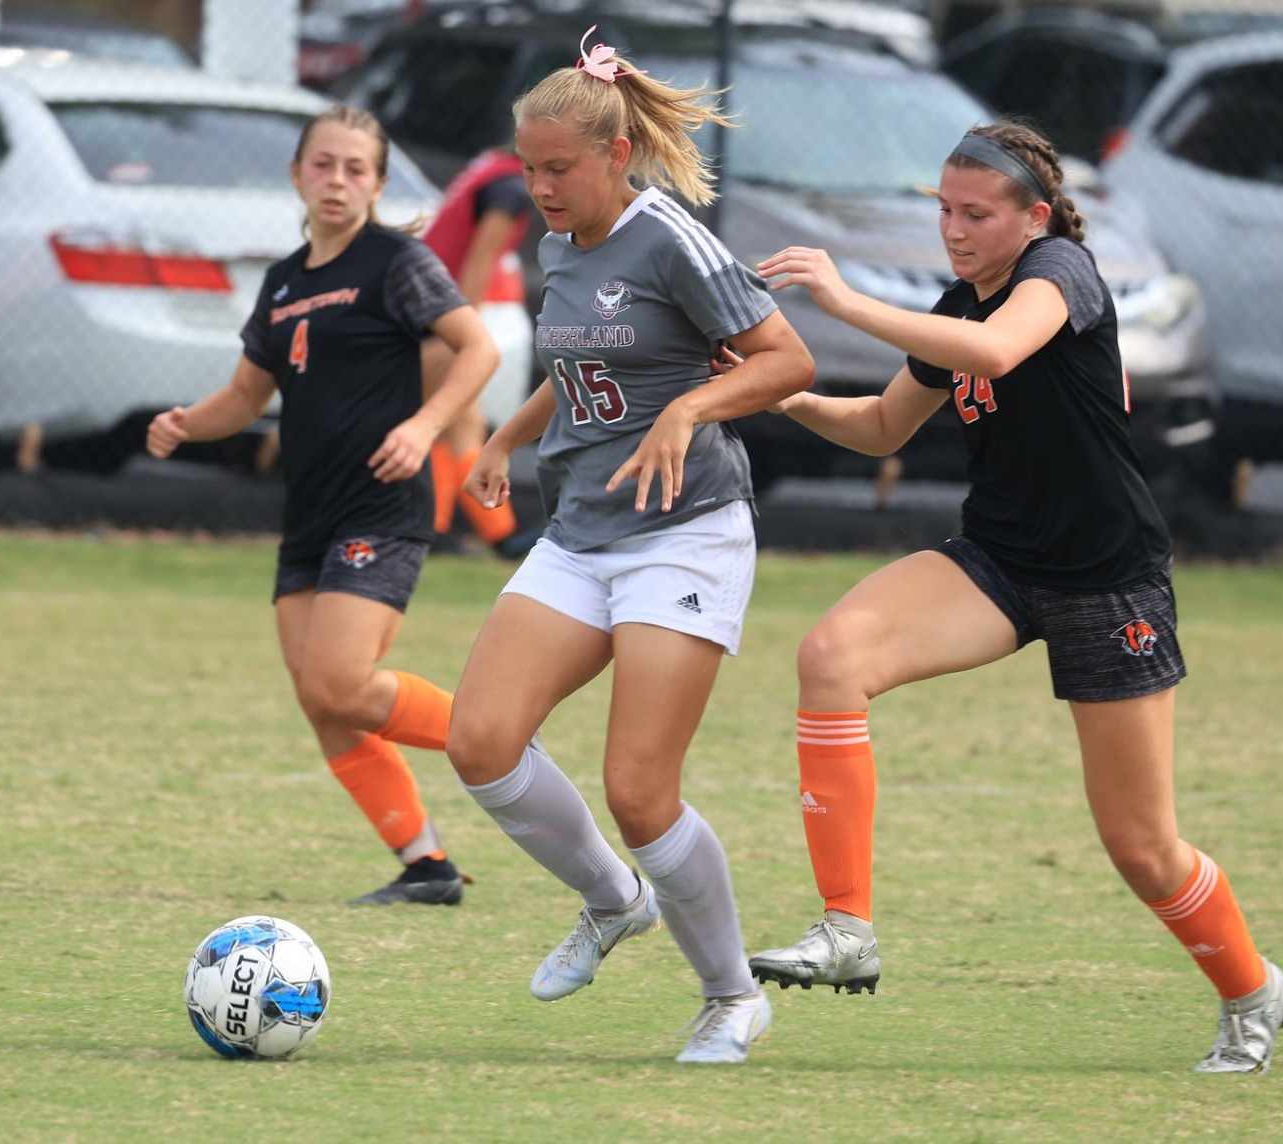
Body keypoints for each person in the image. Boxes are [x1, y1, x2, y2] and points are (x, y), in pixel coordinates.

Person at [741, 122, 1283, 1073]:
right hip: (996, 562)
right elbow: (880, 428)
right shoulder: (959, 304)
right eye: (944, 211)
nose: (954, 230)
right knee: (831, 656)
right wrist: (778, 398)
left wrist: (841, 297)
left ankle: (1251, 991)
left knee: (1140, 845)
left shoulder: (1060, 273)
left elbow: (995, 352)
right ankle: (847, 929)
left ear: (1032, 216)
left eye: (975, 214)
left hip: (1105, 578)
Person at [443, 28, 816, 1064]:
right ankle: (613, 900)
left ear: (615, 156)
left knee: (640, 787)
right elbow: (579, 366)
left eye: (558, 168)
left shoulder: (672, 238)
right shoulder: (557, 247)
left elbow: (786, 359)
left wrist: (690, 409)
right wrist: (507, 441)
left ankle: (732, 994)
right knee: (479, 741)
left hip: (686, 536)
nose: (540, 188)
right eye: (528, 168)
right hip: (583, 528)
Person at [146, 105, 499, 907]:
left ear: (375, 184)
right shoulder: (282, 281)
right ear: (297, 175)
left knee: (340, 683)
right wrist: (185, 424)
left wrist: (423, 427)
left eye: (354, 169)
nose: (337, 180)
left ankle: (495, 732)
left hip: (381, 507)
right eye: (323, 165)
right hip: (308, 518)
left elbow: (478, 347)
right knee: (321, 699)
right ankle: (426, 866)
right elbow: (246, 394)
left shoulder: (395, 262)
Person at [419, 146, 543, 560]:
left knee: (447, 420)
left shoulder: (489, 165)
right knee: (464, 423)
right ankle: (501, 537)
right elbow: (478, 261)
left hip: (421, 308)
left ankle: (433, 530)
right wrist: (462, 334)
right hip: (434, 315)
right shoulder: (510, 189)